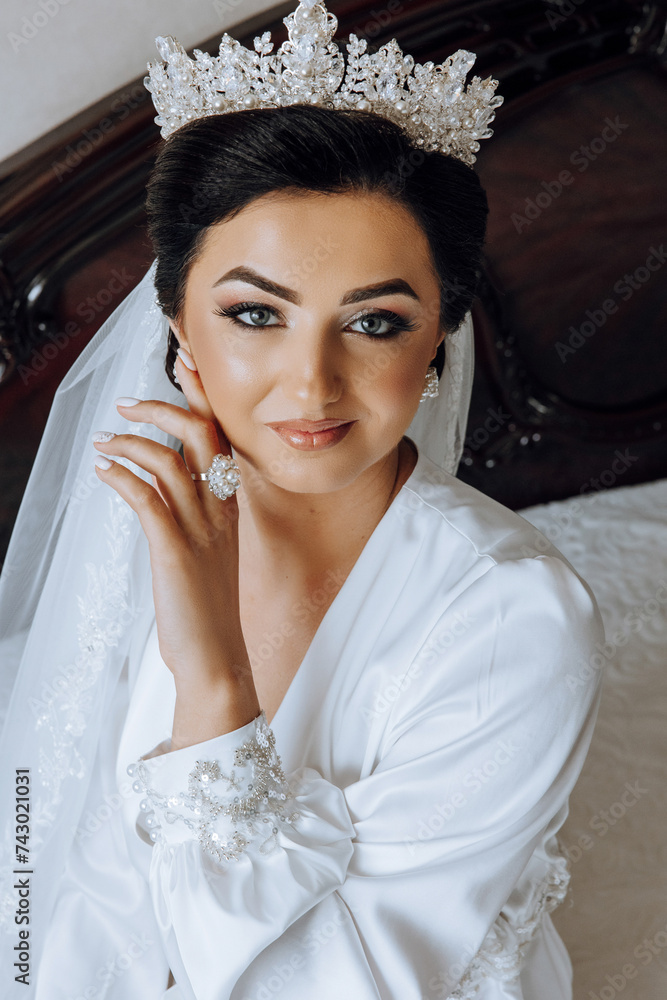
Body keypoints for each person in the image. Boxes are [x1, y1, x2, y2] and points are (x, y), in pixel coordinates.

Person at [0, 4, 604, 998]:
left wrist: (212, 671)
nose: (312, 383)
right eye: (253, 314)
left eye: (372, 321)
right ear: (178, 328)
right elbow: (79, 872)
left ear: (437, 344)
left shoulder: (515, 619)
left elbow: (333, 981)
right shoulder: (145, 502)